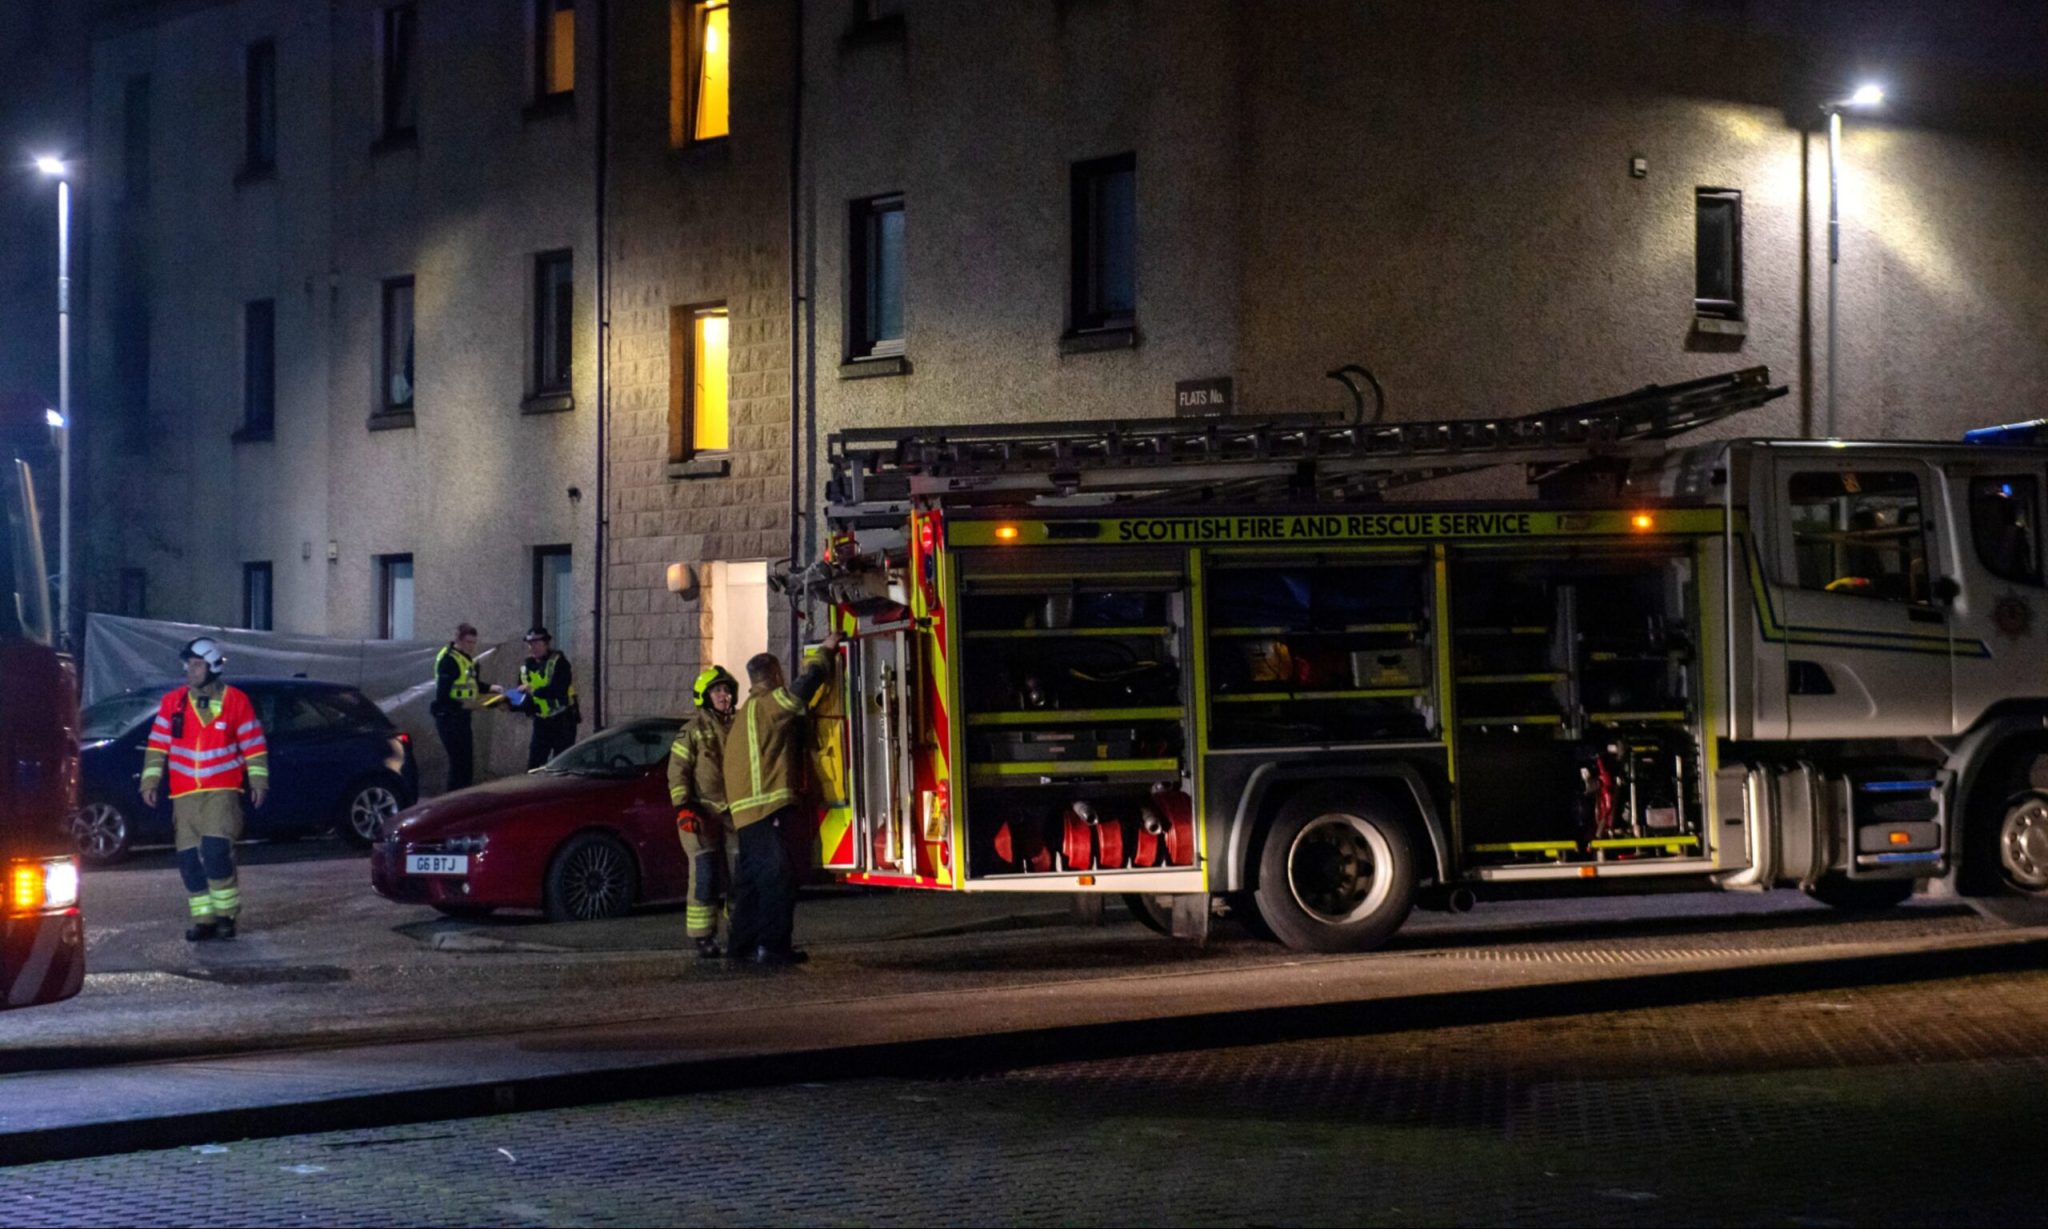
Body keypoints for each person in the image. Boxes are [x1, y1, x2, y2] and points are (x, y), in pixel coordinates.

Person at [721, 631, 844, 967]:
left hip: (746, 815)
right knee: (779, 879)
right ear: (773, 676)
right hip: (764, 810)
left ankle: (740, 947)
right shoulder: (768, 705)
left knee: (750, 885)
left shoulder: (747, 710)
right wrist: (825, 653)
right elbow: (802, 692)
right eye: (780, 676)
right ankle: (773, 948)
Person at [139, 638, 269, 942]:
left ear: (211, 667)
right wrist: (150, 781)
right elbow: (158, 744)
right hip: (183, 796)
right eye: (189, 664)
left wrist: (258, 781)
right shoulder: (174, 702)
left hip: (221, 791)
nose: (190, 670)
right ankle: (205, 919)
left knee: (215, 852)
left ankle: (226, 916)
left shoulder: (236, 701)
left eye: (196, 665)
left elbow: (253, 744)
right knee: (188, 862)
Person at [667, 664, 738, 960]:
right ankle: (703, 937)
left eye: (727, 691)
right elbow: (677, 772)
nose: (724, 696)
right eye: (717, 691)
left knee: (741, 874)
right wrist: (684, 808)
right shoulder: (692, 730)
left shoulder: (737, 725)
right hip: (700, 813)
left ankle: (739, 930)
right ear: (705, 697)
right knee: (705, 875)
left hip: (734, 812)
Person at [502, 626, 579, 769]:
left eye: (537, 643)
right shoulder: (526, 667)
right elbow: (524, 698)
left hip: (563, 721)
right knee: (534, 766)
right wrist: (509, 704)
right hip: (541, 722)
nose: (533, 647)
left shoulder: (559, 662)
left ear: (546, 643)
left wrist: (532, 691)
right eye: (530, 644)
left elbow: (558, 690)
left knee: (561, 767)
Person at [431, 623, 485, 792]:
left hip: (461, 716)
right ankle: (454, 802)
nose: (471, 646)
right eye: (468, 642)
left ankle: (462, 799)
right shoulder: (449, 660)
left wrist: (492, 689)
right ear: (458, 640)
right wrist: (465, 704)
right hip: (449, 717)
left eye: (474, 643)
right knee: (459, 764)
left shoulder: (466, 660)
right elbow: (443, 695)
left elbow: (473, 686)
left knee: (465, 763)